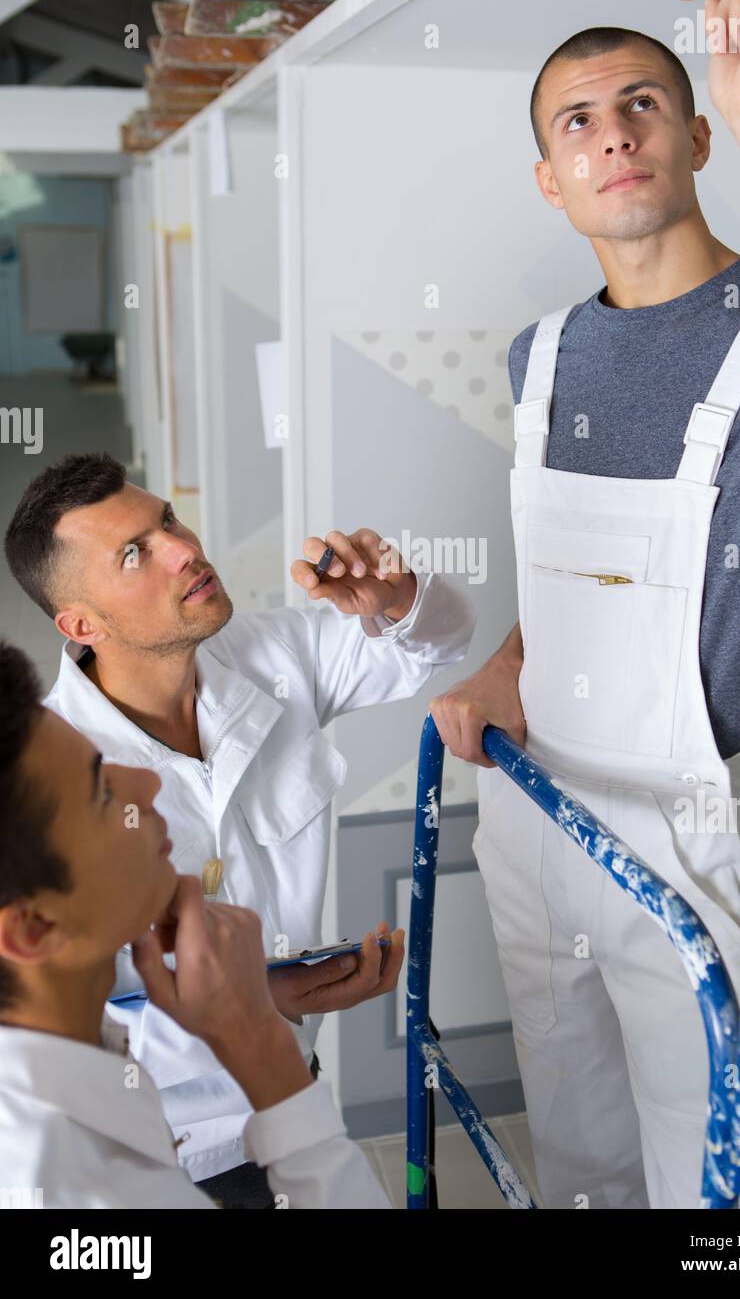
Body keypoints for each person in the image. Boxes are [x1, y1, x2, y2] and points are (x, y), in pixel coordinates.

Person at [432, 0, 740, 1209]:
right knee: (581, 1152)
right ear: (549, 177)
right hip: (535, 806)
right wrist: (506, 663)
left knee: (715, 1172)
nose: (611, 134)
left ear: (695, 136)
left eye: (641, 104)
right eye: (576, 120)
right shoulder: (540, 356)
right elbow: (579, 575)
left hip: (689, 820)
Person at [4, 454, 475, 1200]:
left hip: (291, 1091)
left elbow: (437, 643)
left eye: (167, 521)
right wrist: (263, 1005)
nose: (183, 549)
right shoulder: (46, 782)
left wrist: (394, 598)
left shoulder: (267, 655)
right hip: (170, 1151)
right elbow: (51, 1024)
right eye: (135, 554)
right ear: (81, 624)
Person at [0, 640, 390, 1208]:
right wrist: (266, 1049)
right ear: (33, 928)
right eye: (100, 791)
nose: (149, 785)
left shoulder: (73, 1074)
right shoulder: (91, 1195)